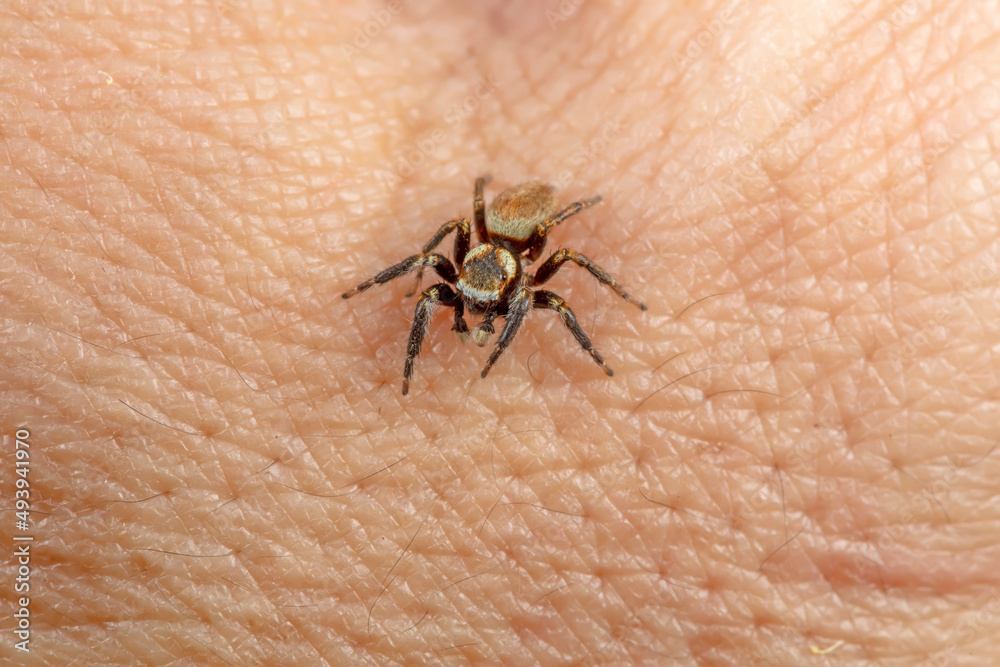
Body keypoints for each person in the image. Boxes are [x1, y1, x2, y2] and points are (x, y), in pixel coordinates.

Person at [4, 1, 998, 663]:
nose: (474, 310)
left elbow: (544, 273)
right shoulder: (456, 260)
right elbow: (446, 245)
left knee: (566, 303)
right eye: (474, 302)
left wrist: (577, 286)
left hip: (528, 214)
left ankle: (595, 348)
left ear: (508, 273)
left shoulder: (533, 262)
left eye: (483, 305)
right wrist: (385, 283)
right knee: (430, 278)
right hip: (497, 213)